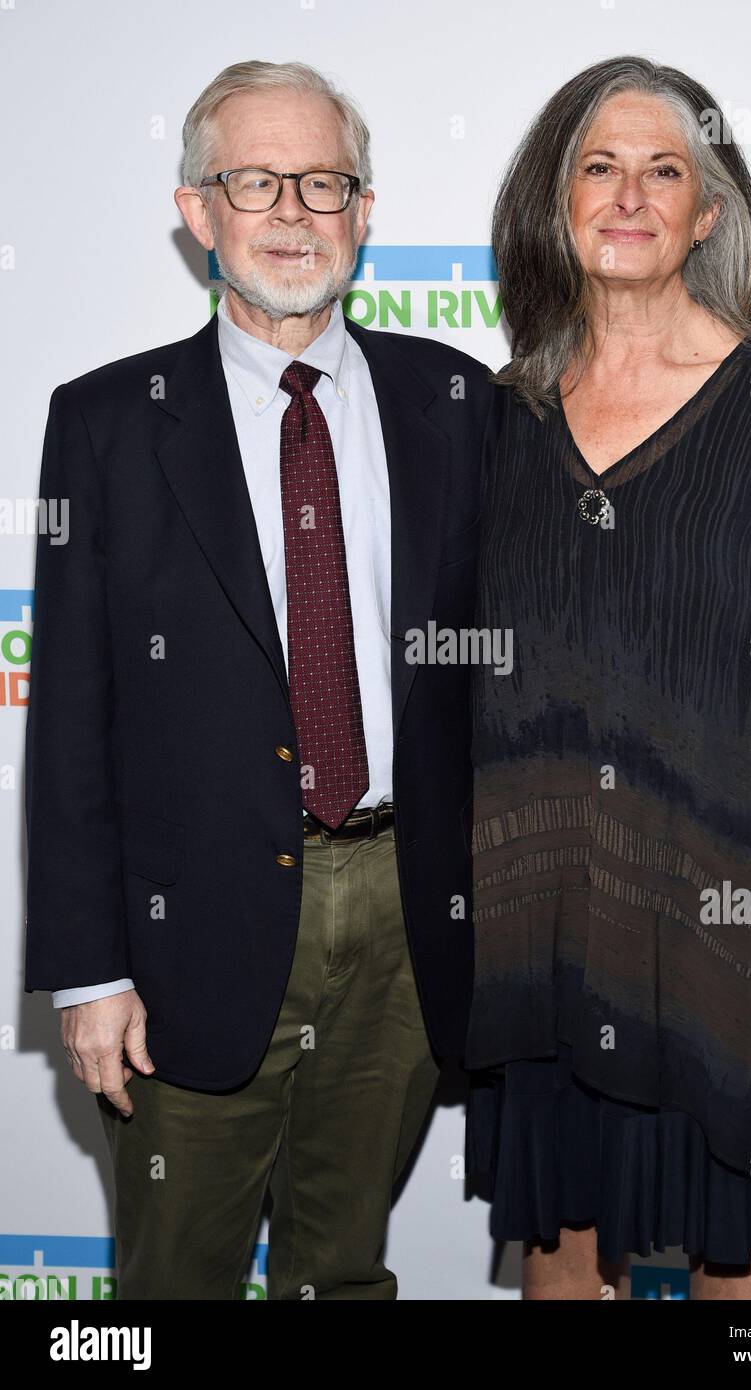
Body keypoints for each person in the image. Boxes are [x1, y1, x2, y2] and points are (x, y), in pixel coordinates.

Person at [24, 59, 491, 1300]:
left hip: (404, 915)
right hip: (195, 928)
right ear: (199, 212)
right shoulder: (108, 425)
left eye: (324, 182)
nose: (293, 212)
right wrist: (90, 970)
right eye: (255, 181)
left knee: (343, 1269)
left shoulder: (456, 400)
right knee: (173, 1279)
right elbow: (68, 719)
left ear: (366, 208)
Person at [464, 55, 751, 1301]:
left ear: (708, 215)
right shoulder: (494, 418)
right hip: (544, 905)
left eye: (665, 171)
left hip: (733, 917)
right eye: (598, 167)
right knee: (560, 1243)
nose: (629, 194)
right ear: (556, 204)